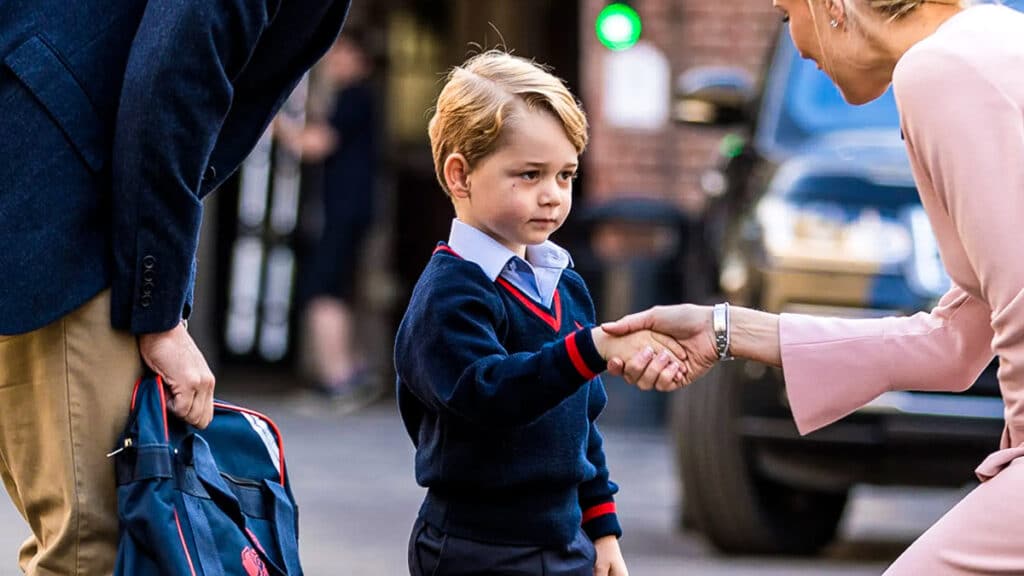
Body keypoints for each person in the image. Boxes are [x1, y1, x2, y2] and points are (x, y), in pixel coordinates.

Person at [603, 0, 1024, 573]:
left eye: (785, 16)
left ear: (831, 5)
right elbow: (954, 341)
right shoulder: (985, 39)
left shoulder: (941, 69)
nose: (798, 44)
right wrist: (724, 328)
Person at [0, 1, 352, 574]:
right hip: (62, 213)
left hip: (49, 187)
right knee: (98, 548)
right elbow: (173, 84)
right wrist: (160, 316)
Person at [393, 51, 687, 576]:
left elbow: (581, 429)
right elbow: (487, 395)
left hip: (566, 543)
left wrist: (603, 531)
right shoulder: (448, 295)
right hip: (475, 548)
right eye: (529, 175)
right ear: (459, 175)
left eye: (566, 175)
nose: (552, 195)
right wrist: (590, 349)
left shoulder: (565, 286)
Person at [278, 32, 381, 405]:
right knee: (333, 288)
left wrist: (270, 122)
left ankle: (339, 379)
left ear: (359, 60)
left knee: (321, 288)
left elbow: (315, 144)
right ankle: (349, 371)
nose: (332, 62)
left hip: (343, 211)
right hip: (347, 211)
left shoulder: (355, 95)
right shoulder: (354, 97)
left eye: (340, 55)